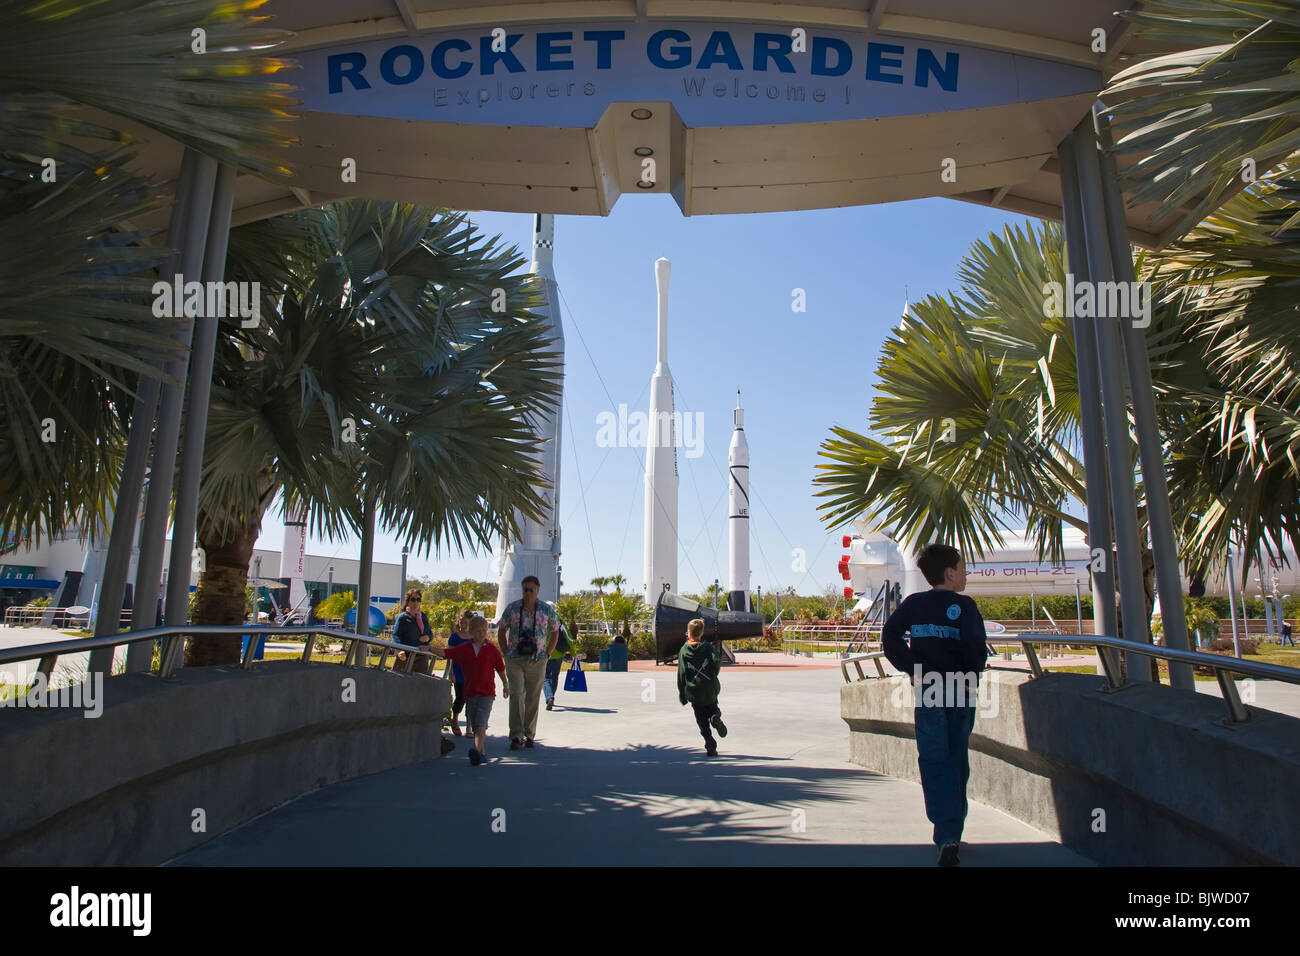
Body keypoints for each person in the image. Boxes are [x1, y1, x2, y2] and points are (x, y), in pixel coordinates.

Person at [881, 543, 988, 867]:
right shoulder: (965, 608)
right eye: (963, 568)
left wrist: (914, 667)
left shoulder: (914, 605)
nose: (966, 574)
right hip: (960, 692)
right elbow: (976, 649)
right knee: (957, 757)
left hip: (928, 692)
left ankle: (945, 832)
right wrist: (970, 675)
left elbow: (890, 637)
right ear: (950, 574)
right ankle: (952, 828)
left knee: (933, 759)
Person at [434, 615, 507, 765]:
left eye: (483, 631)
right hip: (471, 692)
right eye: (477, 631)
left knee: (481, 723)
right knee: (475, 725)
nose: (481, 634)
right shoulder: (465, 649)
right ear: (471, 632)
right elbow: (447, 653)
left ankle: (476, 750)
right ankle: (481, 752)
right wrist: (429, 648)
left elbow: (500, 668)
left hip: (487, 693)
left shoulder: (491, 650)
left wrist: (506, 685)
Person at [496, 575, 559, 749]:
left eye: (531, 589)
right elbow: (501, 629)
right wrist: (505, 651)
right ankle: (516, 735)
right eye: (525, 589)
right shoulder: (513, 608)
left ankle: (529, 734)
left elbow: (555, 630)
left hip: (537, 660)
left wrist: (547, 653)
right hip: (515, 658)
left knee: (532, 697)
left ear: (537, 590)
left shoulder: (546, 610)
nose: (528, 592)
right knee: (516, 694)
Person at [677, 618, 727, 756]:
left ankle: (710, 744)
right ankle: (715, 717)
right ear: (702, 633)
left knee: (701, 721)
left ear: (688, 632)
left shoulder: (683, 651)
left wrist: (682, 693)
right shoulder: (707, 647)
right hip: (709, 689)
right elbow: (716, 662)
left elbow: (681, 673)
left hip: (694, 692)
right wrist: (713, 675)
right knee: (713, 708)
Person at [392, 589, 433, 675]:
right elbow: (396, 636)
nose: (416, 602)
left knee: (421, 685)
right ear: (408, 601)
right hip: (406, 656)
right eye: (413, 599)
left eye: (418, 599)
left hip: (421, 657)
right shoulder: (402, 617)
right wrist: (399, 651)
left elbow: (430, 634)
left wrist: (428, 637)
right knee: (399, 684)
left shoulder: (423, 617)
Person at [446, 610, 472, 735]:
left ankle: (469, 727)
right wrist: (451, 673)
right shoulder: (455, 637)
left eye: (467, 622)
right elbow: (450, 656)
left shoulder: (474, 637)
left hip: (471, 673)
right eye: (462, 622)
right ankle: (455, 719)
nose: (464, 625)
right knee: (460, 698)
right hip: (458, 672)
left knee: (471, 700)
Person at [543, 623, 570, 711]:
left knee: (545, 677)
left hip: (547, 652)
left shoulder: (542, 620)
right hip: (559, 653)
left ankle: (549, 697)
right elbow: (568, 637)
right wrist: (573, 652)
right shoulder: (560, 622)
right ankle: (551, 697)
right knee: (554, 676)